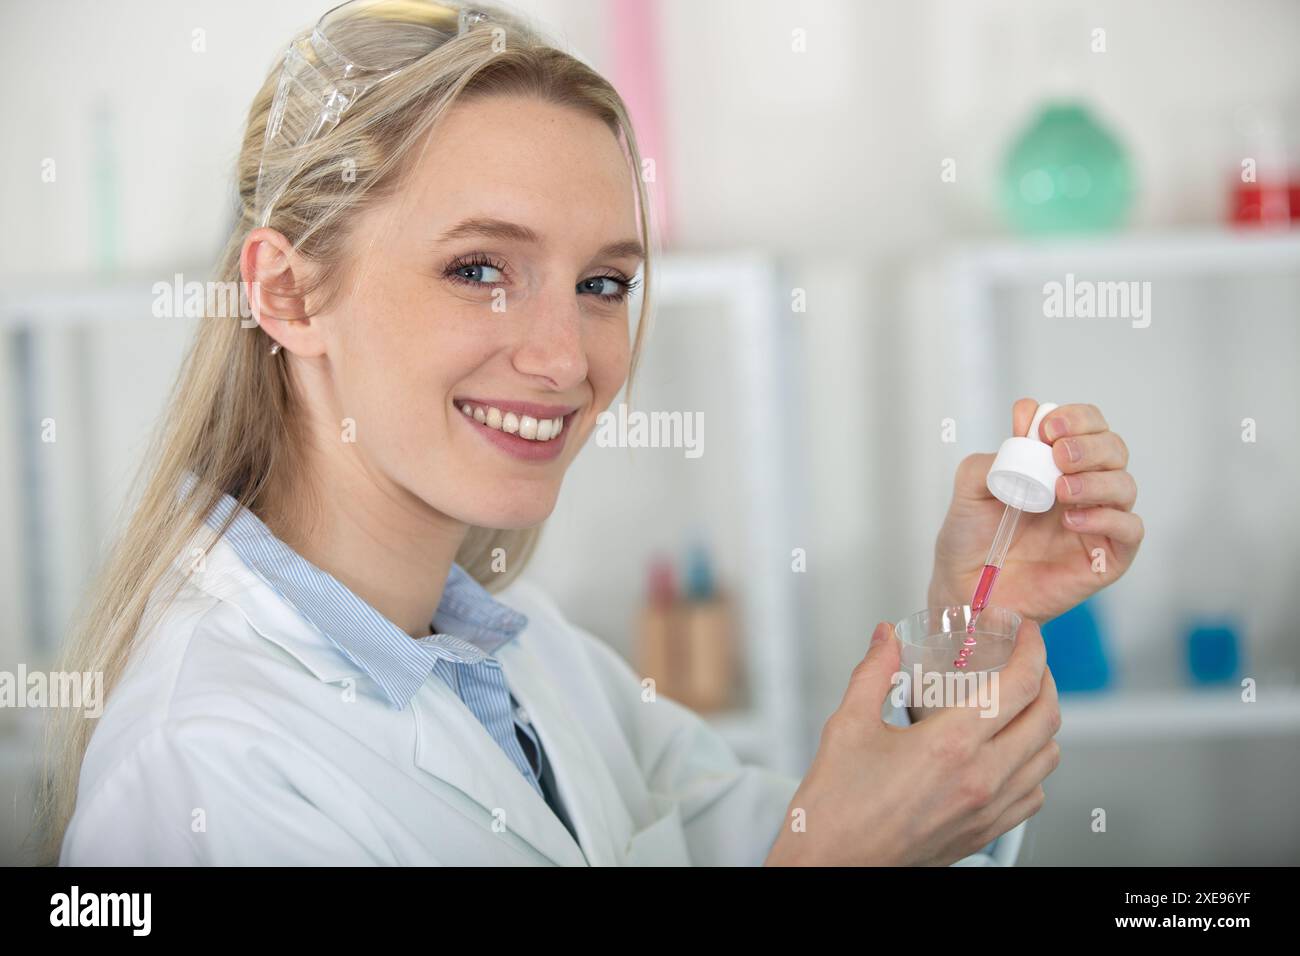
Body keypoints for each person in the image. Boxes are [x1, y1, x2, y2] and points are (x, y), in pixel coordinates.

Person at [41, 0, 1143, 866]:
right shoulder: (207, 770)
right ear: (285, 294)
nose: (568, 358)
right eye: (479, 269)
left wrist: (972, 610)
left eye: (604, 281)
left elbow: (821, 829)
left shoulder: (535, 661)